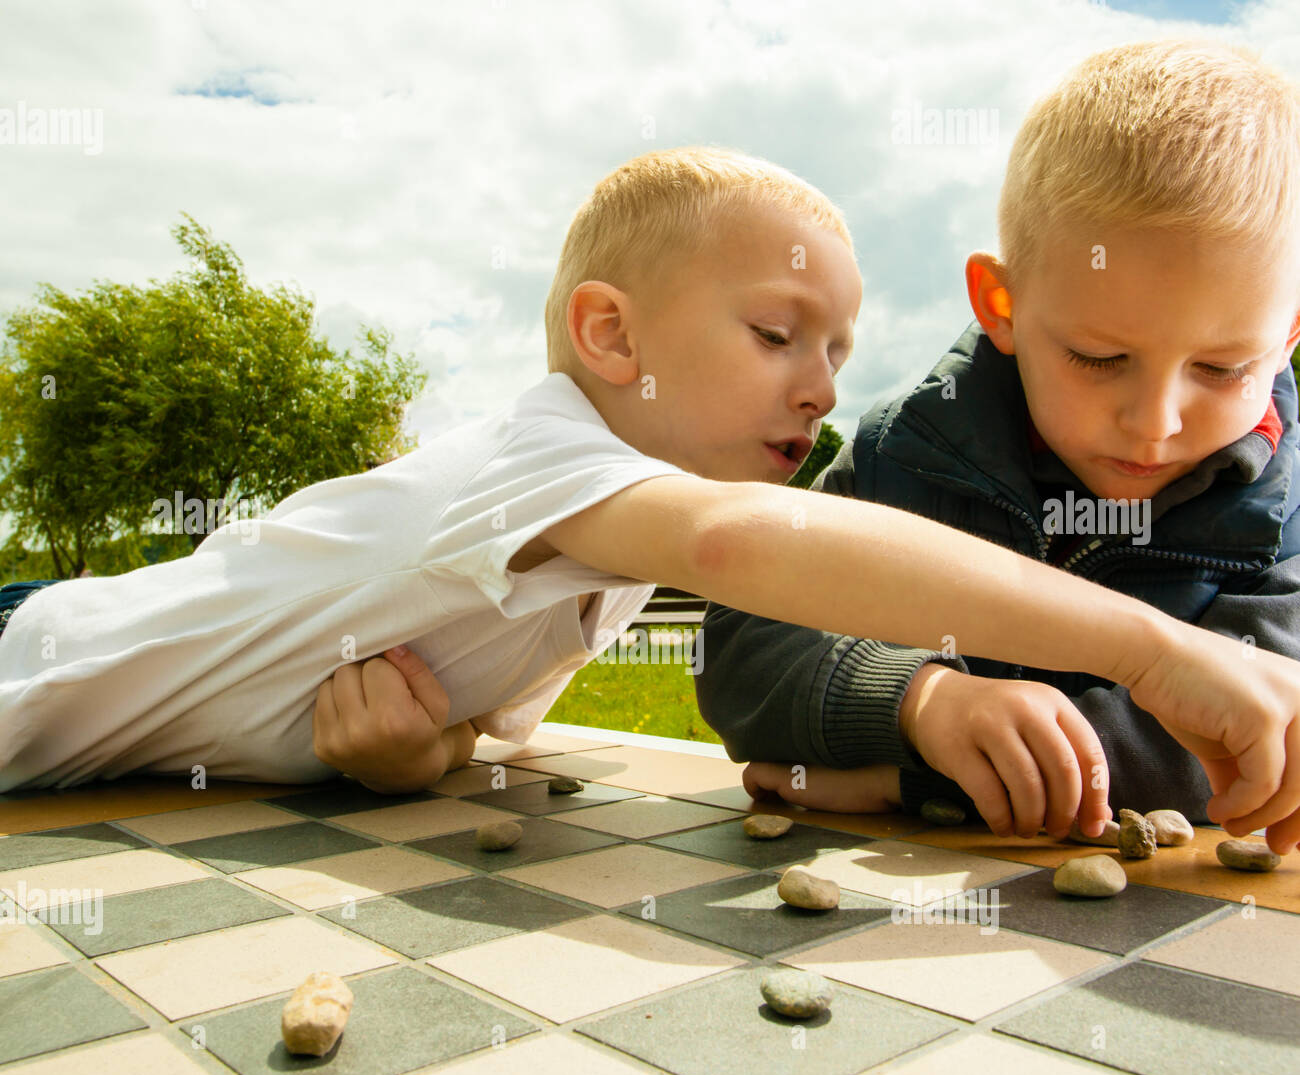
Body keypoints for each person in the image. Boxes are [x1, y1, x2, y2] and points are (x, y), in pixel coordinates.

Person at [2, 145, 1298, 854]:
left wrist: (415, 756)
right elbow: (745, 549)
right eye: (779, 334)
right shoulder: (543, 456)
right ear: (612, 338)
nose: (819, 390)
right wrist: (1151, 644)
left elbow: (472, 734)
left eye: (839, 353)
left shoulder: (597, 574)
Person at [694, 40, 1300, 850]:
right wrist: (923, 705)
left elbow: (1235, 749)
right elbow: (740, 644)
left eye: (1224, 368)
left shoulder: (1282, 510)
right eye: (1099, 358)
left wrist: (916, 780)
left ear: (1288, 335)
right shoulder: (904, 452)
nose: (1155, 422)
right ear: (1001, 303)